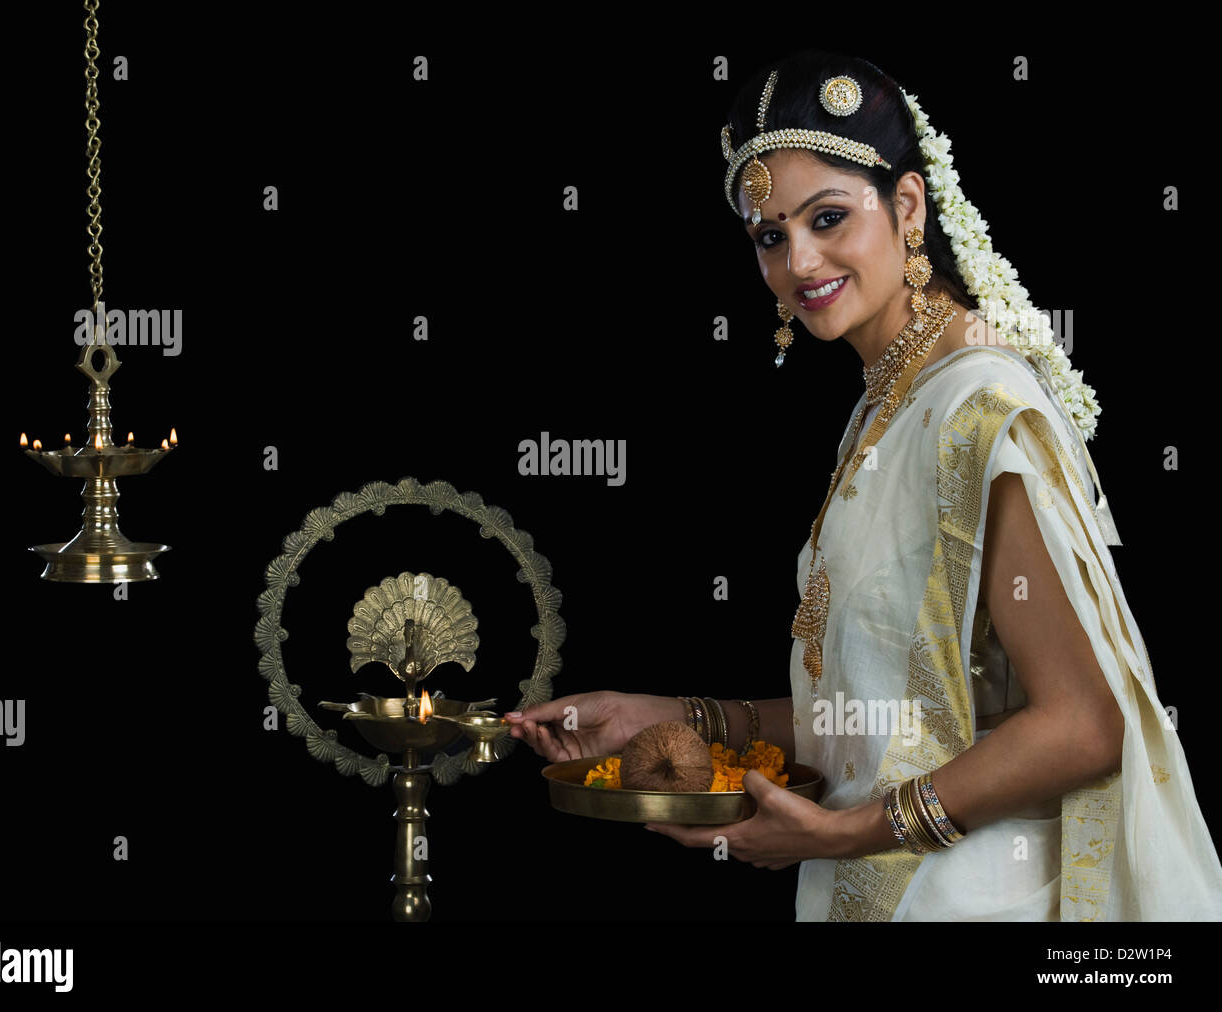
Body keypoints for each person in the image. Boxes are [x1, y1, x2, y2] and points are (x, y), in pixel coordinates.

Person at [505, 51, 1222, 921]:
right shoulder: (889, 405)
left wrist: (835, 835)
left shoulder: (978, 406)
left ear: (908, 206)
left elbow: (1083, 725)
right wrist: (672, 716)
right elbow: (883, 717)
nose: (800, 261)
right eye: (771, 236)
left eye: (829, 217)